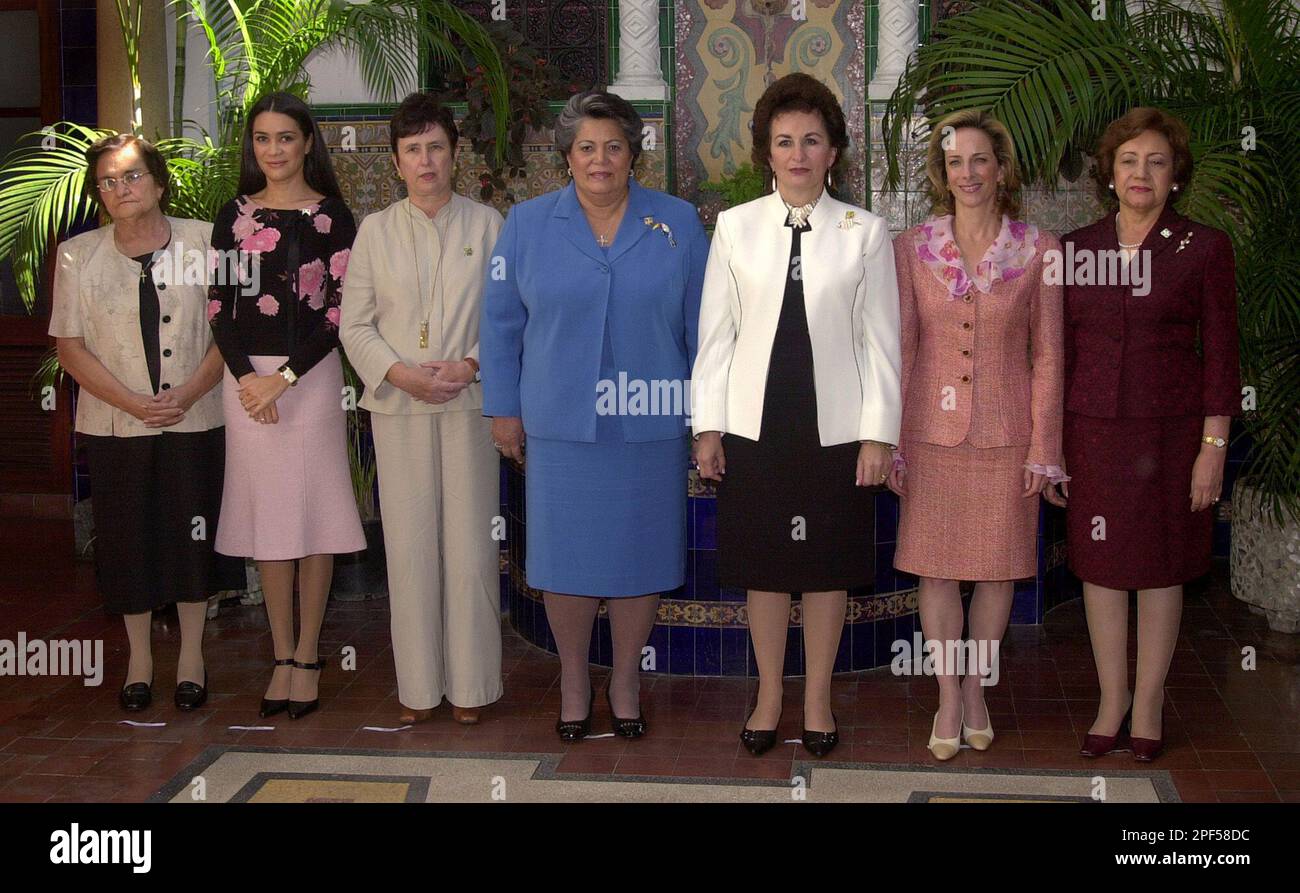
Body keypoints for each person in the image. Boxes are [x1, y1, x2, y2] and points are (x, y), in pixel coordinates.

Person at [480, 89, 708, 742]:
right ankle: (575, 678)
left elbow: (705, 327)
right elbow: (499, 325)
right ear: (567, 157)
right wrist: (503, 409)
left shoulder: (678, 222)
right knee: (565, 560)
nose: (600, 159)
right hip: (560, 425)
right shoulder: (525, 225)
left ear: (634, 153)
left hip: (651, 420)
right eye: (586, 147)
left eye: (613, 146)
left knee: (642, 557)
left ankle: (627, 679)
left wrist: (707, 415)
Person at [692, 73, 902, 759]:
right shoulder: (734, 227)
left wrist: (879, 434)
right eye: (785, 141)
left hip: (834, 427)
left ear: (834, 151)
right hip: (757, 424)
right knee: (765, 565)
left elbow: (881, 343)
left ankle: (816, 697)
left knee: (825, 567)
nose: (799, 153)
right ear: (767, 152)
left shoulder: (864, 232)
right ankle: (770, 695)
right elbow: (715, 336)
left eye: (812, 139)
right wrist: (708, 425)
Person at [1048, 107, 1240, 763]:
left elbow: (1221, 358)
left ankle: (1151, 700)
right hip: (1092, 434)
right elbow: (1056, 357)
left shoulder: (1204, 248)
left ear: (1175, 177)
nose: (1141, 173)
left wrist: (1212, 451)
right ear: (1109, 173)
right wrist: (1050, 449)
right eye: (1129, 160)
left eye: (1156, 162)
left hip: (1173, 436)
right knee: (1100, 569)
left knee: (1161, 569)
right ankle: (1112, 698)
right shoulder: (1074, 249)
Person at [888, 109, 1065, 760]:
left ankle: (978, 686)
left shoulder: (1038, 249)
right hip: (931, 435)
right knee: (934, 572)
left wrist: (1047, 449)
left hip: (1007, 435)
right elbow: (902, 347)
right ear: (943, 171)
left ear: (1001, 167)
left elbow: (1048, 356)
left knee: (996, 575)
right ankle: (948, 694)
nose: (968, 172)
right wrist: (894, 440)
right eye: (956, 160)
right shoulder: (910, 248)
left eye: (980, 159)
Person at [49, 133, 245, 712]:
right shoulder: (77, 255)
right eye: (108, 181)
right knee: (128, 538)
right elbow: (70, 347)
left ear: (159, 183)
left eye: (131, 176)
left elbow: (228, 333)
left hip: (195, 416)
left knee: (192, 535)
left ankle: (190, 656)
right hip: (116, 424)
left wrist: (185, 392)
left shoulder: (205, 243)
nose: (120, 189)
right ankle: (139, 659)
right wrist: (134, 402)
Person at [340, 92, 505, 726]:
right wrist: (401, 374)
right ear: (396, 161)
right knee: (409, 549)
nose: (426, 160)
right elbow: (355, 324)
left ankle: (473, 687)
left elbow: (509, 318)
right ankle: (418, 690)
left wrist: (468, 366)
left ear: (455, 154)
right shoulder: (375, 232)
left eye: (437, 146)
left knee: (470, 548)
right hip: (399, 408)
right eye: (413, 150)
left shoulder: (489, 224)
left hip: (468, 406)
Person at [208, 91, 365, 720]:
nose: (273, 150)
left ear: (307, 144)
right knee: (271, 523)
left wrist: (286, 378)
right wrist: (250, 379)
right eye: (262, 139)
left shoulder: (333, 217)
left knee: (316, 514)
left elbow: (342, 313)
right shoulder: (235, 216)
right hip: (247, 385)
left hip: (312, 381)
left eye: (285, 138)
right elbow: (219, 307)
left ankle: (308, 654)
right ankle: (280, 654)